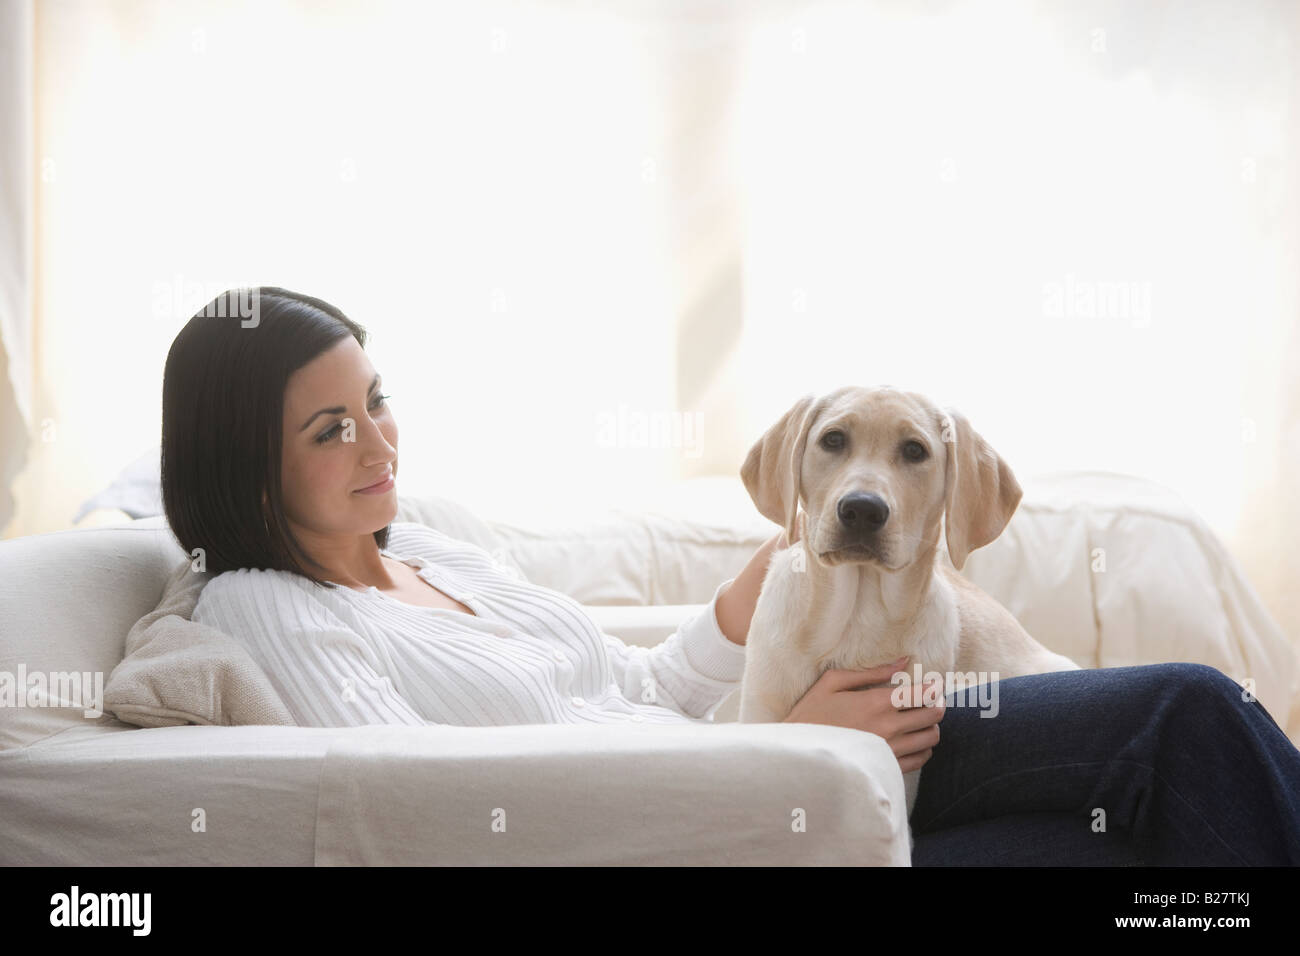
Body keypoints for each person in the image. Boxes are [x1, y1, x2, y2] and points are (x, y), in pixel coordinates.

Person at [164, 287, 1300, 865]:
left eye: (377, 400)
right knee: (1184, 713)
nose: (378, 445)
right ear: (245, 466)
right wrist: (777, 744)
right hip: (726, 826)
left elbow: (633, 684)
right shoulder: (266, 605)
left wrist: (741, 614)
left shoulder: (432, 546)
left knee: (1143, 836)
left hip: (793, 776)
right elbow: (424, 808)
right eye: (328, 429)